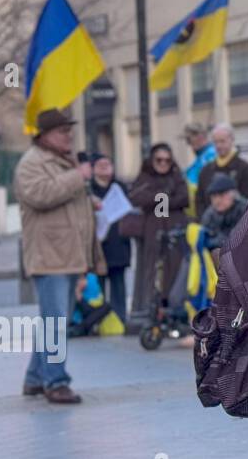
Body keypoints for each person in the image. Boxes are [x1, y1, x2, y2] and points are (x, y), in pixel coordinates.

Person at [14, 108, 105, 404]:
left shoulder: (59, 162)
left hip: (66, 254)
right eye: (62, 131)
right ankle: (55, 381)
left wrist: (88, 202)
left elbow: (63, 198)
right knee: (55, 321)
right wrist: (77, 177)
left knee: (54, 321)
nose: (68, 136)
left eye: (69, 131)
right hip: (49, 255)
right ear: (45, 136)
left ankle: (35, 378)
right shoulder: (32, 164)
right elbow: (40, 195)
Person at [127, 142, 190, 320]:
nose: (163, 163)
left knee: (175, 270)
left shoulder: (177, 176)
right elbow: (137, 196)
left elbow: (184, 198)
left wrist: (160, 198)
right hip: (152, 233)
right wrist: (164, 196)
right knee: (152, 271)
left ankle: (173, 311)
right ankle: (151, 309)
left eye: (167, 160)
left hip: (175, 233)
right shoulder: (144, 177)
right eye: (159, 160)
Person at [89, 155, 131, 326]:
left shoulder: (120, 187)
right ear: (93, 169)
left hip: (118, 243)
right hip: (98, 245)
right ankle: (98, 320)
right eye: (101, 165)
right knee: (98, 286)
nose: (105, 168)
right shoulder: (89, 189)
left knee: (118, 284)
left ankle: (120, 318)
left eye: (108, 164)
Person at [195, 123, 248, 218]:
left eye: (222, 141)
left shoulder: (244, 167)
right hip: (211, 226)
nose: (219, 145)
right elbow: (199, 200)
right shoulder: (205, 171)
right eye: (216, 142)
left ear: (232, 140)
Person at [199, 172, 248, 255]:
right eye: (214, 196)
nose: (218, 200)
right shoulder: (209, 214)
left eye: (222, 195)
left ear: (233, 194)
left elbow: (237, 238)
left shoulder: (244, 210)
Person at [182, 122, 216, 208]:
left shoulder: (210, 155)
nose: (188, 144)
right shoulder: (201, 157)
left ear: (200, 136)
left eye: (189, 139)